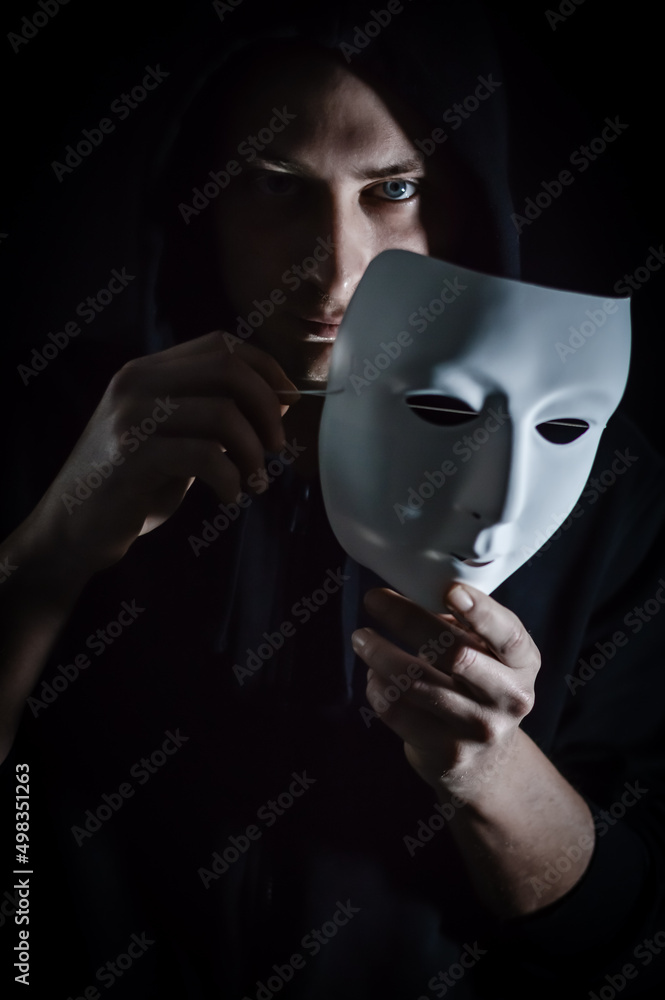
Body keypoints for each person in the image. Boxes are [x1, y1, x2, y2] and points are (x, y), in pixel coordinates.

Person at [1, 3, 664, 997]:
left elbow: (621, 931)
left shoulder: (600, 490)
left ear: (462, 200)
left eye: (391, 189)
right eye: (275, 189)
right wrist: (44, 560)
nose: (335, 264)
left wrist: (485, 768)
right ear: (203, 198)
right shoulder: (49, 427)